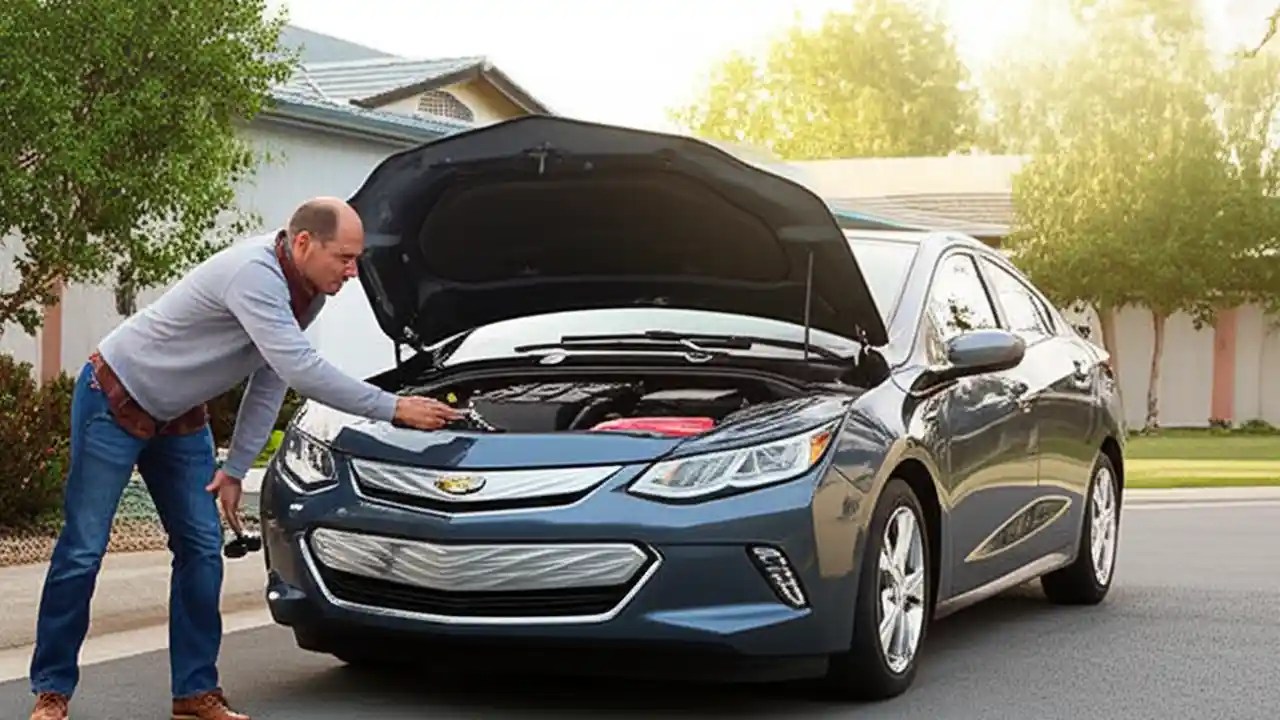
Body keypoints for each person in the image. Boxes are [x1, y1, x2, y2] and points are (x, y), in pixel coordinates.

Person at [26, 197, 462, 720]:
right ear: (303, 243)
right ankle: (52, 690)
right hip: (114, 398)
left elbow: (270, 380)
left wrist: (235, 470)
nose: (353, 270)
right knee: (83, 549)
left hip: (180, 418)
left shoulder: (307, 294)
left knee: (202, 549)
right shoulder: (253, 275)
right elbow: (302, 370)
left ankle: (194, 692)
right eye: (344, 257)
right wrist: (394, 408)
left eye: (355, 259)